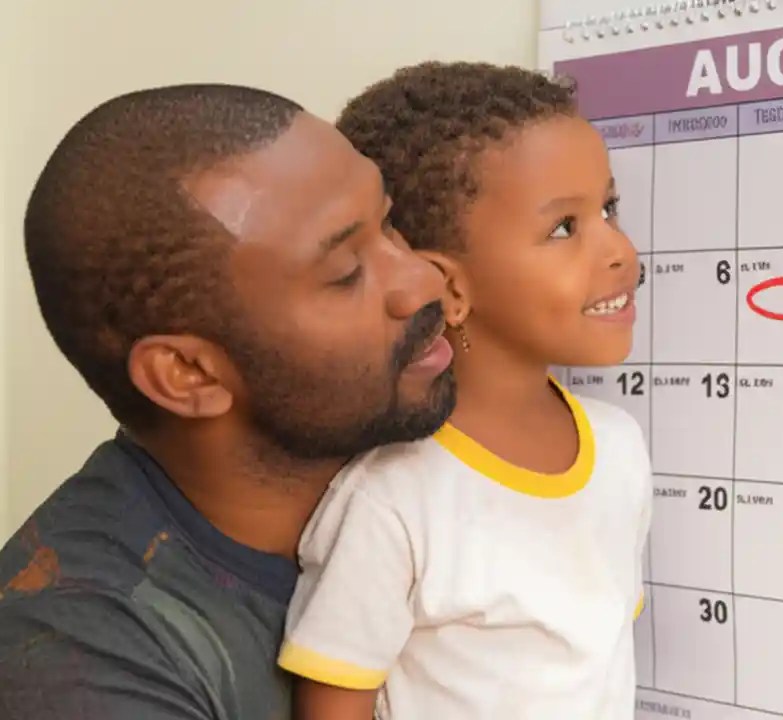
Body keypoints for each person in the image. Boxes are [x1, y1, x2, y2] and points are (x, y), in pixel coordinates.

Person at [0, 83, 457, 720]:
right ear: (188, 374)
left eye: (388, 222)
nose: (425, 279)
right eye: (346, 273)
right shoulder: (83, 662)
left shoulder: (428, 467)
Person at [277, 61, 653, 719]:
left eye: (609, 208)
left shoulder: (619, 448)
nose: (619, 249)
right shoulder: (392, 498)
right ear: (450, 288)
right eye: (565, 227)